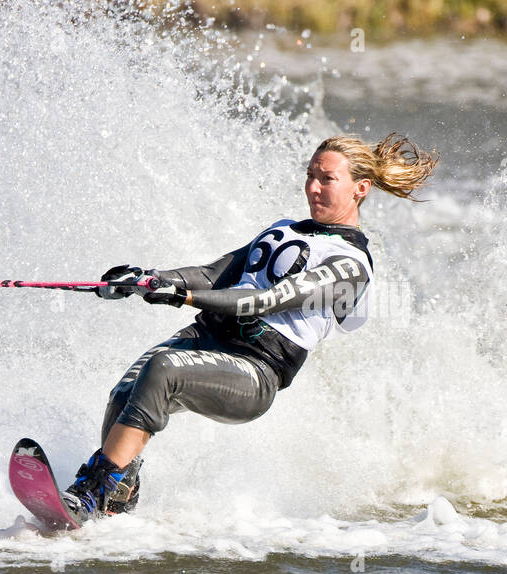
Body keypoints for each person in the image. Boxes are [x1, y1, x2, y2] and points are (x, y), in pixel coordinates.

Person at [62, 133, 439, 521]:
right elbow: (214, 274)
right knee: (126, 391)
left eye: (327, 179)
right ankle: (118, 494)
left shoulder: (350, 265)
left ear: (361, 188)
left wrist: (180, 296)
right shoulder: (284, 228)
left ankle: (89, 493)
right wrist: (146, 279)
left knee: (163, 370)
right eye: (310, 176)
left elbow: (268, 300)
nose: (313, 188)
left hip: (254, 370)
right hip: (207, 336)